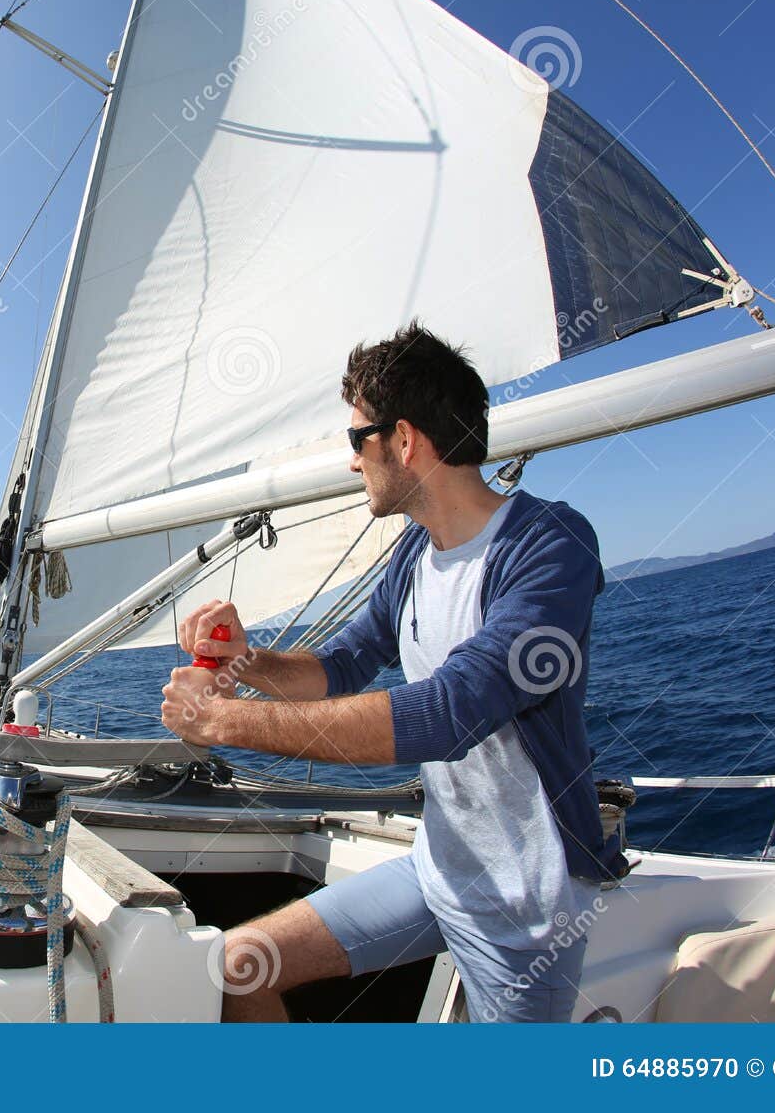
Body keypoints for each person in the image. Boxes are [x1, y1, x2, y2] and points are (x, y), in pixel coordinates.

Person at [160, 321, 627, 1022]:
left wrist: (222, 720)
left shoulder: (550, 545)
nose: (352, 462)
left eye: (358, 440)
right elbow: (344, 662)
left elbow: (450, 712)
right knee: (236, 966)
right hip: (439, 868)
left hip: (527, 904)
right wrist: (243, 659)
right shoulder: (414, 554)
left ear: (403, 441)